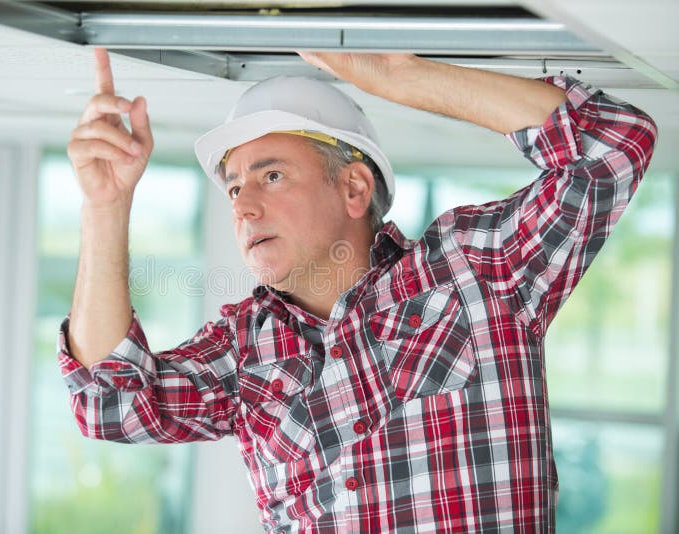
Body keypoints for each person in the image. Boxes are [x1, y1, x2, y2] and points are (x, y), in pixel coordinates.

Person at [59, 48, 657, 532]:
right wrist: (105, 205)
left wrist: (404, 76)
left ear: (353, 189)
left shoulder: (476, 271)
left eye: (271, 175)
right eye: (235, 187)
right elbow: (109, 401)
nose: (244, 204)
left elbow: (613, 145)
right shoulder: (242, 353)